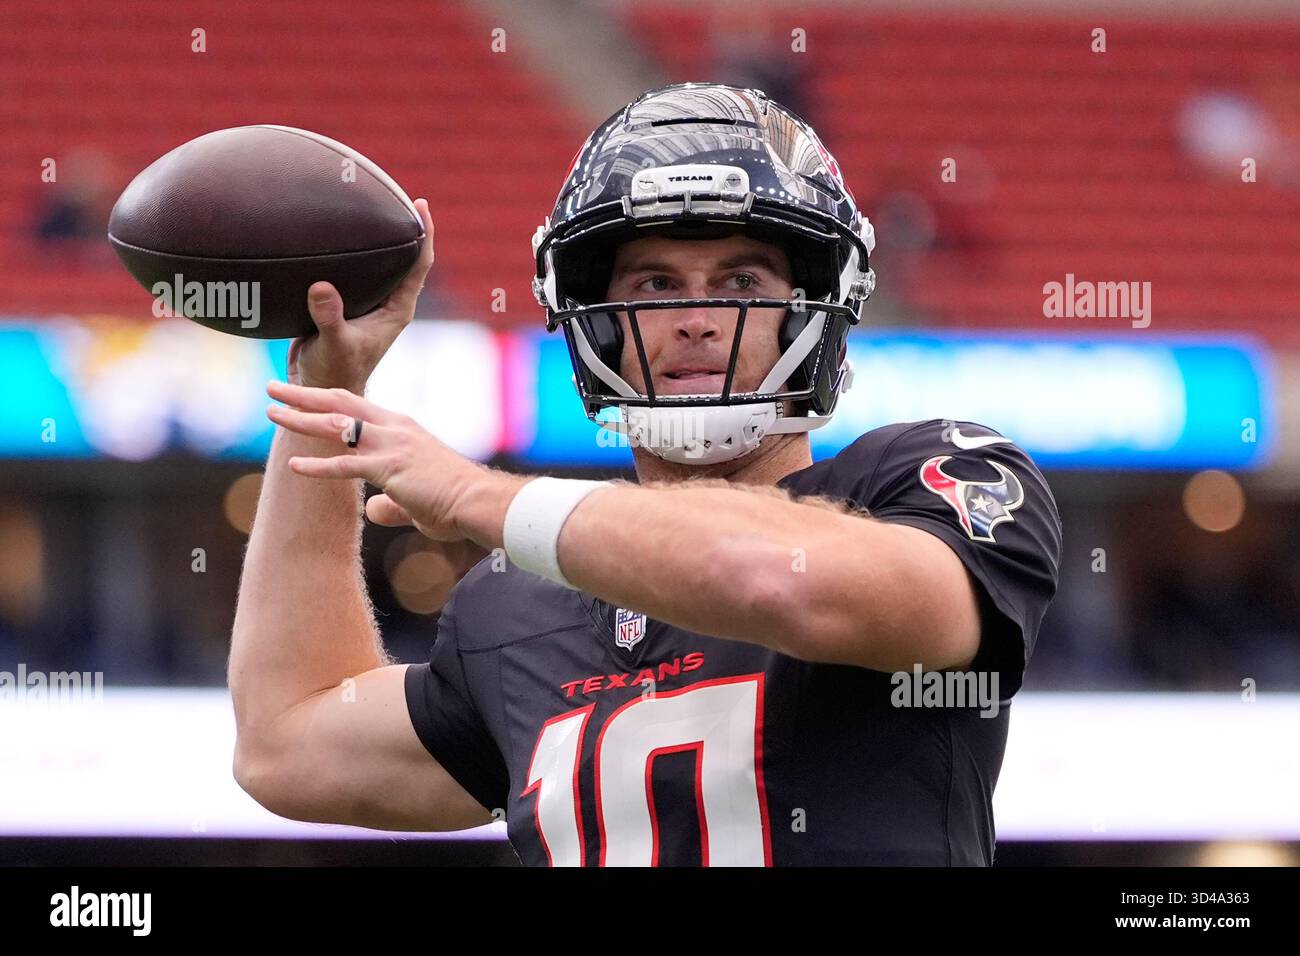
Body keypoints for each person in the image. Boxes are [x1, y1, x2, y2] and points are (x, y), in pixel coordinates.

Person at [230, 83, 1062, 866]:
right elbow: (284, 739)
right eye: (656, 285)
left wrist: (478, 494)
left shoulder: (924, 475)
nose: (697, 320)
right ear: (598, 325)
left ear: (811, 308)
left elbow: (776, 581)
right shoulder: (514, 604)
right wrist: (324, 394)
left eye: (741, 281)